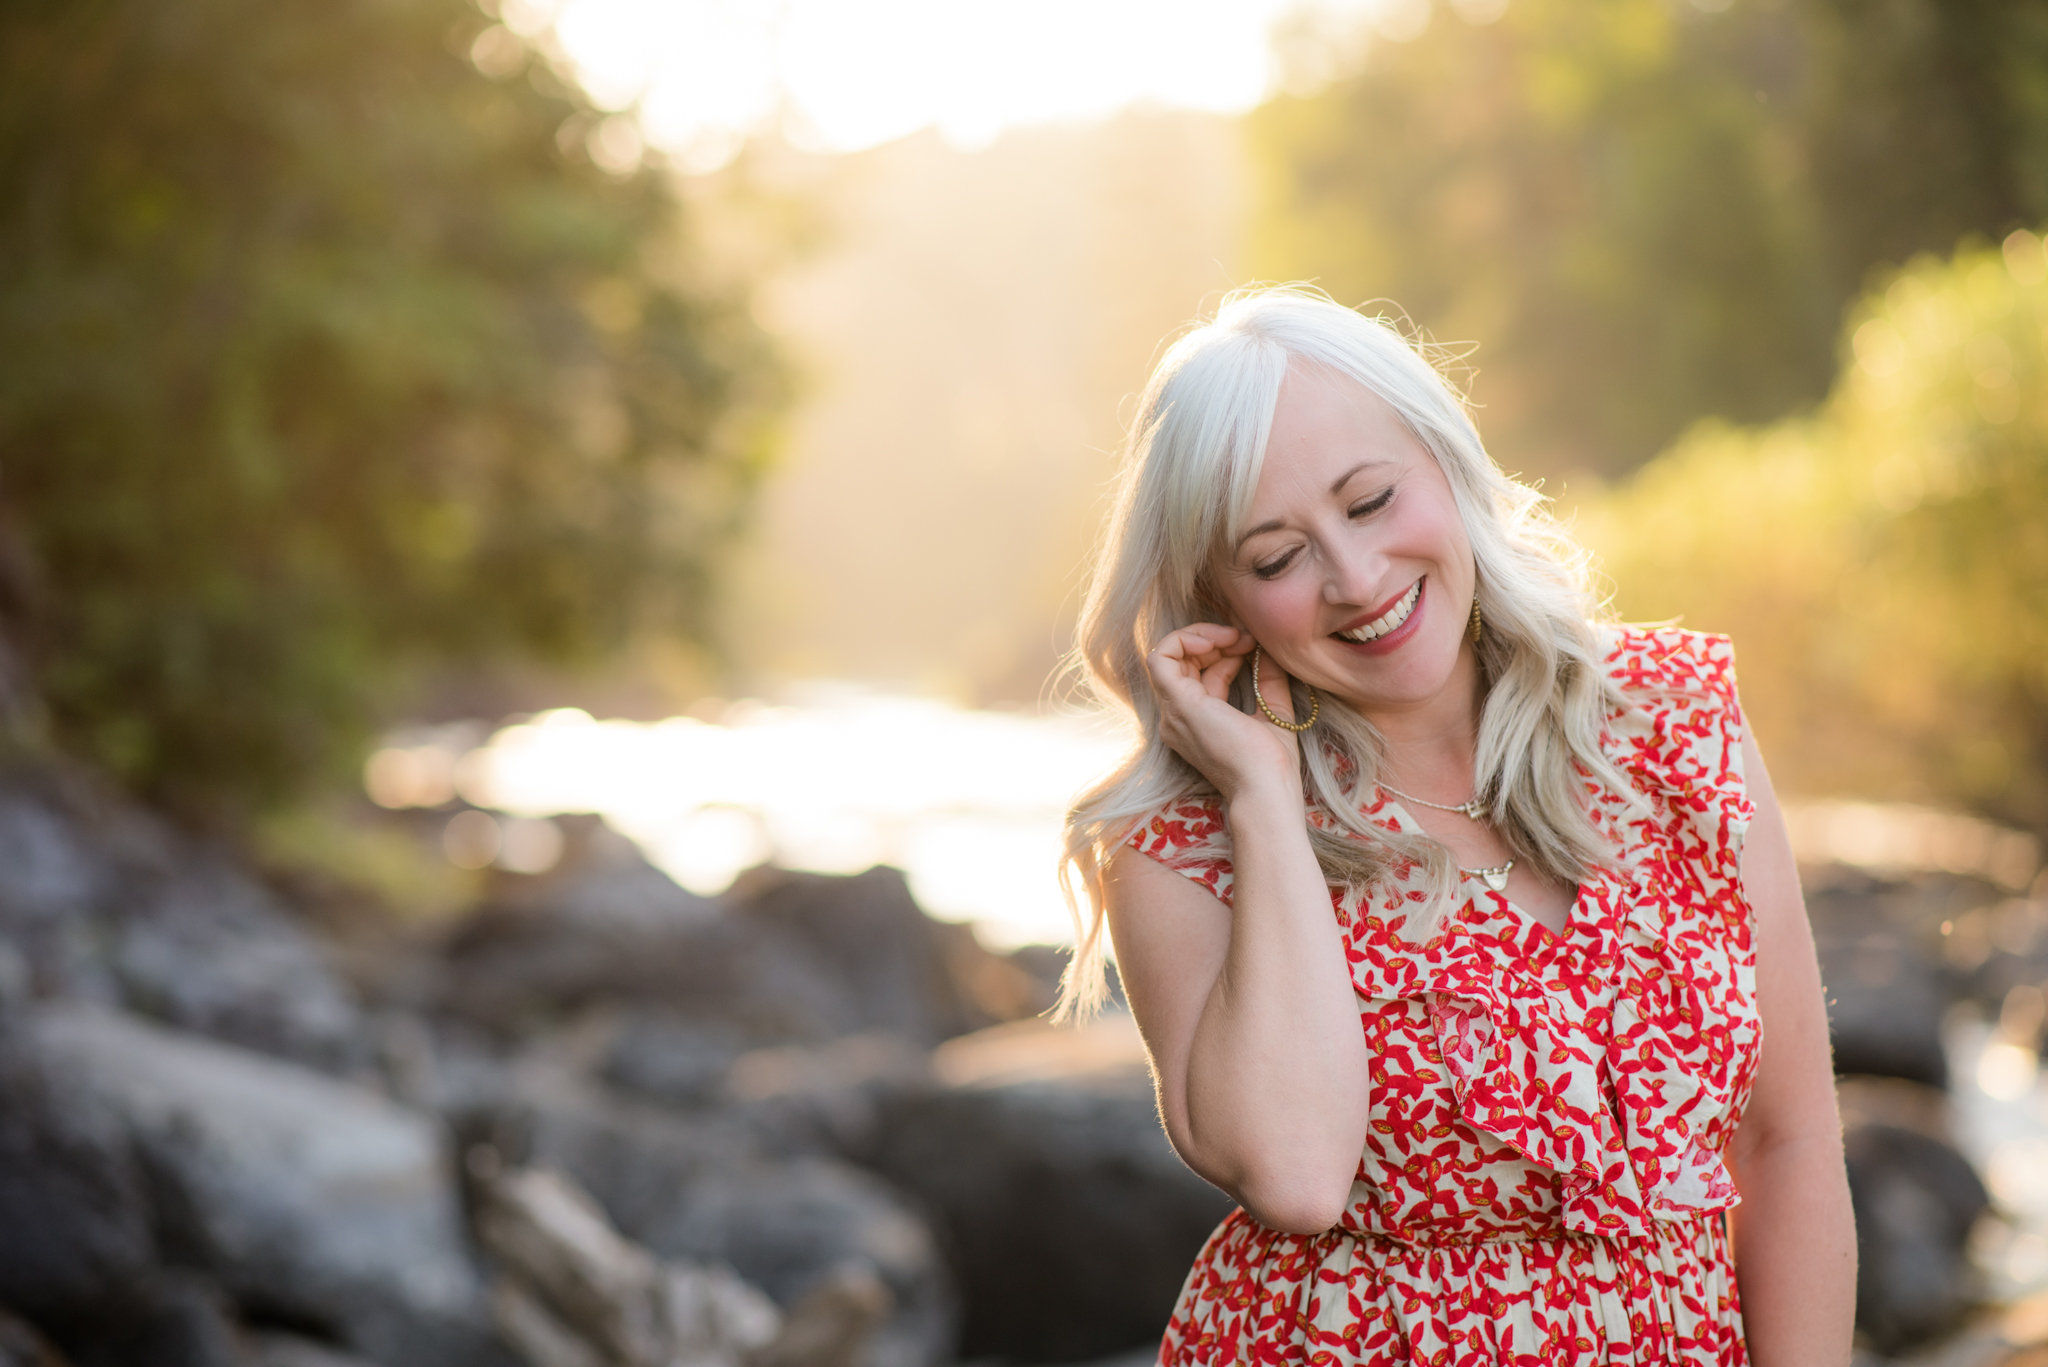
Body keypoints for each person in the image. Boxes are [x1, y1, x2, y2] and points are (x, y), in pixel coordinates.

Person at [1057, 287, 1854, 1365]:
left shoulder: (1674, 722)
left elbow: (1788, 1136)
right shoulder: (1176, 841)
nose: (1354, 578)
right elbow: (1293, 1175)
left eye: (1371, 500)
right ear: (1218, 601)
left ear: (1441, 459)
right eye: (1276, 557)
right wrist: (1261, 791)